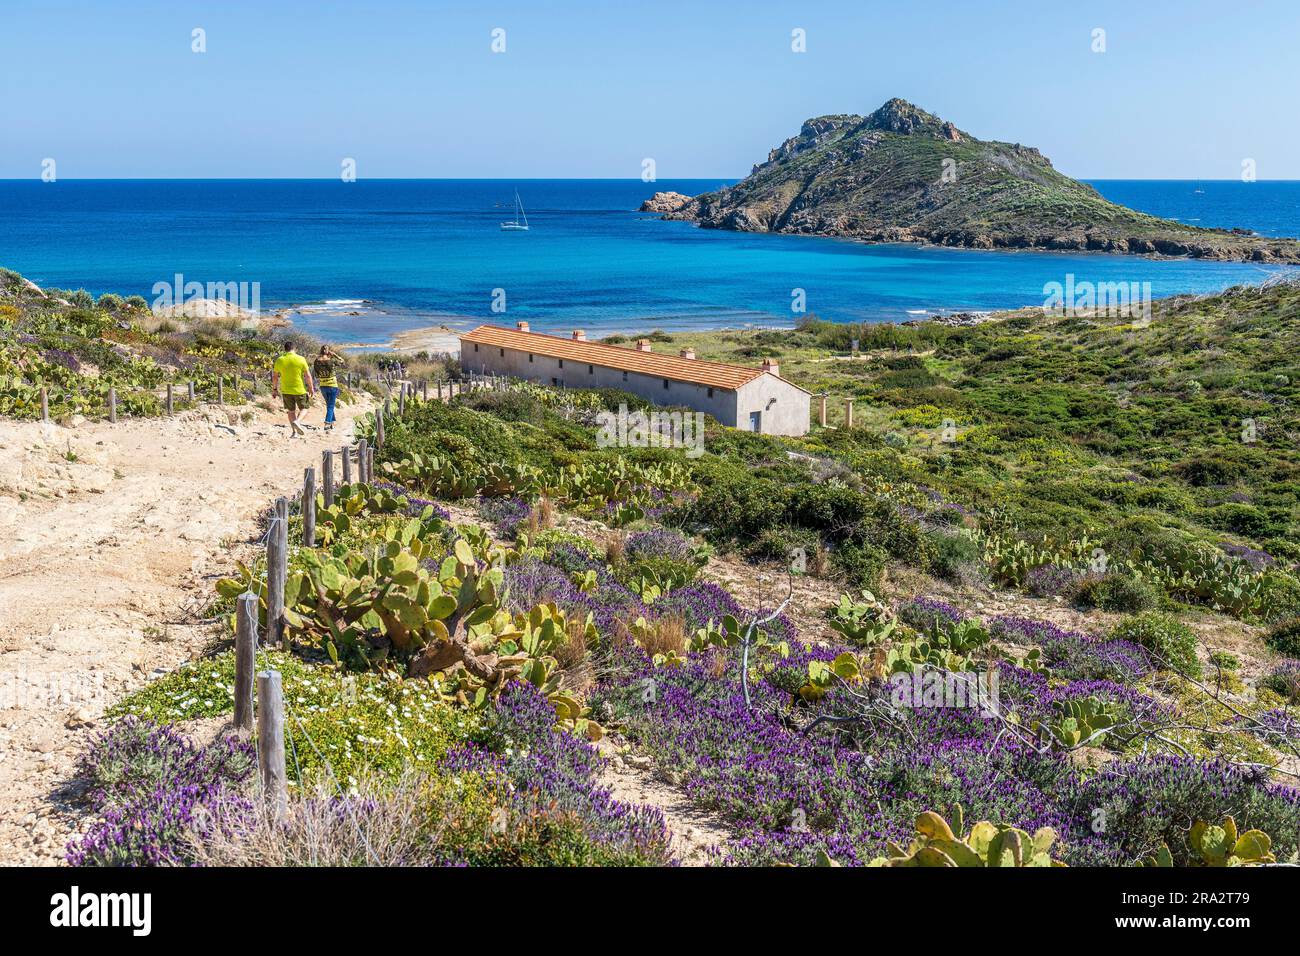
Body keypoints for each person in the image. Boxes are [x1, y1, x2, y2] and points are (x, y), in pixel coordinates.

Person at [271, 340, 315, 437]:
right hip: (300, 389)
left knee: (291, 411)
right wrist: (311, 388)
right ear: (294, 348)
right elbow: (308, 375)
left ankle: (294, 433)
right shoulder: (301, 359)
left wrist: (274, 389)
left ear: (285, 349)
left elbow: (275, 376)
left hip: (286, 390)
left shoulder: (280, 360)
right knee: (305, 408)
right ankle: (298, 421)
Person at [313, 345, 342, 430]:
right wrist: (335, 355)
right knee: (331, 406)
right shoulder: (331, 361)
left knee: (329, 405)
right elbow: (342, 361)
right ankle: (327, 423)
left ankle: (332, 421)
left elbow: (316, 374)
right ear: (328, 351)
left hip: (323, 386)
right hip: (332, 385)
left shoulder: (316, 361)